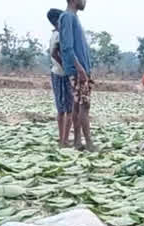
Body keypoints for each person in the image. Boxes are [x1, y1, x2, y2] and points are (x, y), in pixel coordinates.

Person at [59, 0, 94, 152]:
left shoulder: (72, 17)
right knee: (84, 106)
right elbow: (67, 46)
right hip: (78, 70)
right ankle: (89, 143)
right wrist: (80, 69)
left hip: (80, 69)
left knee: (77, 105)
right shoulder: (68, 17)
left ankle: (78, 142)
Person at [46, 8, 72, 148]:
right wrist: (67, 68)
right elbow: (55, 53)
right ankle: (65, 140)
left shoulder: (54, 35)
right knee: (69, 110)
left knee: (62, 109)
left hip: (56, 73)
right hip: (62, 74)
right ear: (57, 21)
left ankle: (62, 139)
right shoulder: (59, 35)